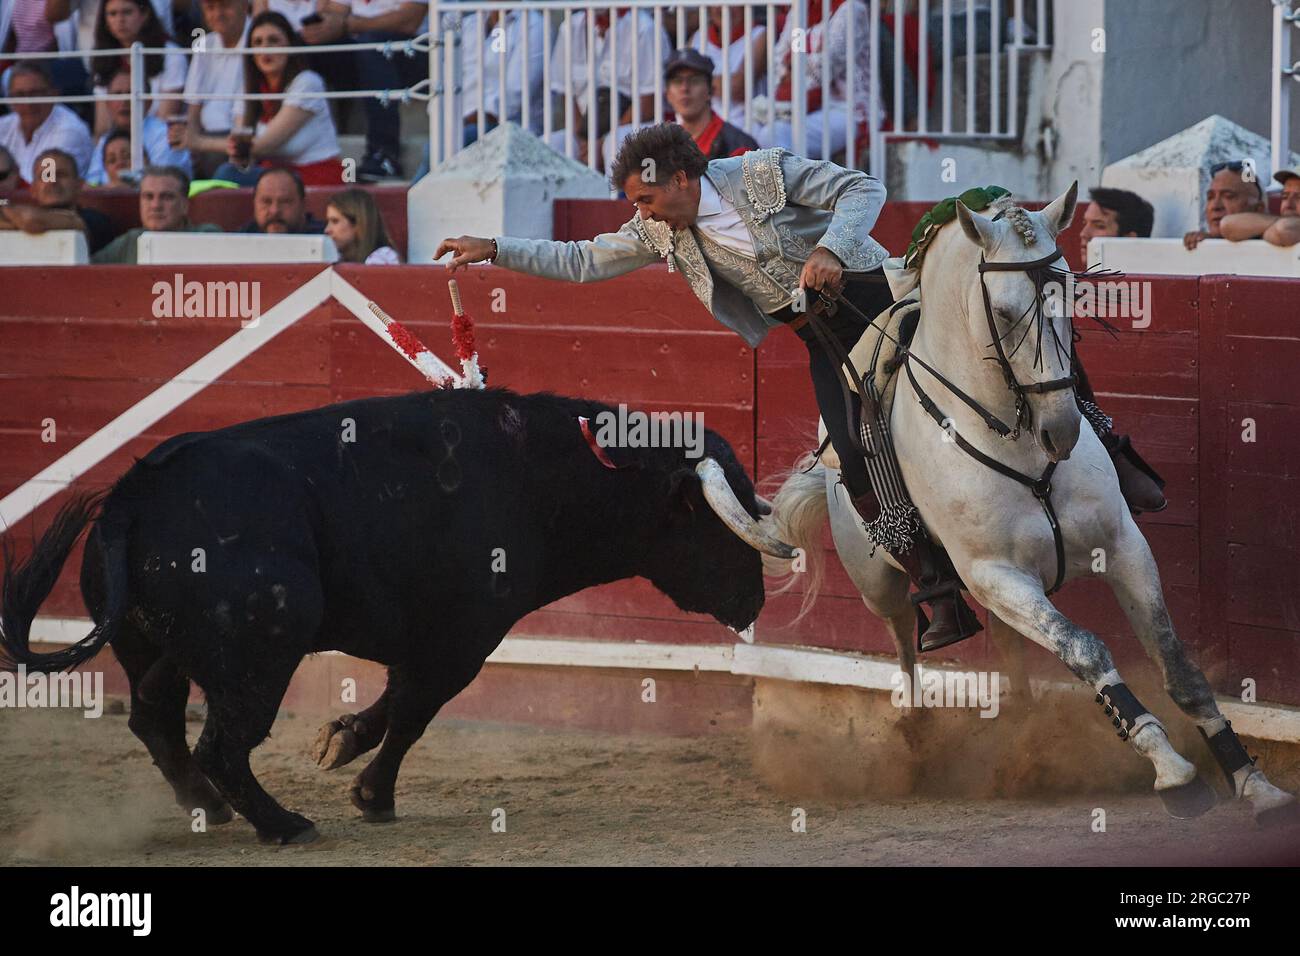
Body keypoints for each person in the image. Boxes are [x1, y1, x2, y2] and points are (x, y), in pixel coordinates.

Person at [437, 123, 985, 650]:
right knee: (852, 460)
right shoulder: (659, 231)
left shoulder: (760, 173)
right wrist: (495, 247)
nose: (640, 212)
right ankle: (939, 592)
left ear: (681, 179)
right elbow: (582, 259)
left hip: (882, 302)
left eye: (646, 198)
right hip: (825, 341)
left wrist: (831, 248)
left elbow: (862, 187)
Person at [211, 11, 343, 186]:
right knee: (229, 174)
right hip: (274, 177)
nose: (265, 48)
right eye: (257, 42)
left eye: (273, 40)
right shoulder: (250, 89)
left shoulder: (308, 82)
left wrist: (195, 142)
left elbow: (261, 146)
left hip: (315, 176)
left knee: (227, 174)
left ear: (290, 46)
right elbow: (239, 149)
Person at [754, 0, 876, 160]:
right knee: (753, 127)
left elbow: (826, 66)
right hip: (804, 106)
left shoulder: (851, 9)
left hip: (847, 109)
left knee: (773, 135)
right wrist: (792, 69)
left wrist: (794, 70)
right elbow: (781, 57)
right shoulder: (803, 10)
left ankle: (794, 183)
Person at [547, 8, 666, 167]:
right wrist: (584, 140)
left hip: (632, 128)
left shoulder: (644, 28)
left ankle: (614, 193)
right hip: (585, 130)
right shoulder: (570, 27)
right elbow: (567, 94)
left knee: (614, 143)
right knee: (550, 144)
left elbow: (648, 104)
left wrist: (602, 143)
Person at [325, 0, 427, 180]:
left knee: (371, 44)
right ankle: (307, 153)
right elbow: (332, 13)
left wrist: (350, 24)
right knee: (315, 46)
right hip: (363, 50)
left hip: (418, 52)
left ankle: (385, 154)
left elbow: (409, 21)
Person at [89, 0, 187, 136]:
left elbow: (165, 117)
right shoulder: (103, 58)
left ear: (145, 14)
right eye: (112, 14)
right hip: (118, 142)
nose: (120, 20)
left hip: (158, 139)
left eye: (127, 12)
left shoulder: (171, 55)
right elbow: (103, 126)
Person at [85, 65, 193, 186]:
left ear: (148, 102)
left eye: (131, 94)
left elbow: (162, 184)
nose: (125, 101)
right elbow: (92, 184)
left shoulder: (166, 136)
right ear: (108, 104)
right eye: (118, 94)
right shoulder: (105, 140)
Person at [180, 0, 252, 177]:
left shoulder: (259, 41)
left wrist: (196, 142)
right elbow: (193, 110)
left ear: (244, 6)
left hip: (242, 141)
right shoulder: (205, 44)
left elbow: (243, 124)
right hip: (205, 140)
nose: (217, 14)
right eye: (210, 8)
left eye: (225, 6)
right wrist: (191, 144)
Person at [92, 164, 222, 262]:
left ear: (185, 205)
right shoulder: (130, 242)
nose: (156, 206)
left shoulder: (206, 237)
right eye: (148, 197)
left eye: (167, 197)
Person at [0, 146, 117, 252]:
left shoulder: (95, 220)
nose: (52, 182)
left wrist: (5, 209)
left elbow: (32, 221)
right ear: (33, 189)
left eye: (61, 175)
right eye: (46, 176)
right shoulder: (19, 217)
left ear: (79, 185)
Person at [0, 60, 94, 183]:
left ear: (53, 94)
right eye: (20, 95)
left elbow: (47, 184)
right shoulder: (4, 126)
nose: (28, 103)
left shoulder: (69, 131)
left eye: (35, 94)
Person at [0, 0, 89, 98]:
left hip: (51, 64)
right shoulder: (11, 2)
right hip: (21, 62)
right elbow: (10, 38)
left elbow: (60, 40)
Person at [1183, 161, 1264, 250]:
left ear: (1258, 209)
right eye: (1210, 197)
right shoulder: (1198, 244)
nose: (1215, 206)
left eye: (1228, 197)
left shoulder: (1273, 246)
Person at [1216, 164, 1300, 247]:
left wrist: (1262, 231)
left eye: (1299, 197)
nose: (1288, 204)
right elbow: (1227, 225)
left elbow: (1284, 229)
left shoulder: (1279, 226)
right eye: (1285, 197)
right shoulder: (1275, 226)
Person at [1078, 186, 1154, 265]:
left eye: (1099, 226)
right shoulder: (1069, 276)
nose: (1083, 234)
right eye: (1085, 223)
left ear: (1129, 239)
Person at [238, 165, 324, 233]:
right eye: (266, 202)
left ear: (303, 205)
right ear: (254, 203)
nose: (274, 211)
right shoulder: (241, 239)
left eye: (285, 202)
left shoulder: (326, 240)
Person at [324, 186, 399, 263]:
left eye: (335, 221)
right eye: (328, 222)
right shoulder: (334, 257)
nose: (327, 230)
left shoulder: (382, 257)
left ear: (358, 224)